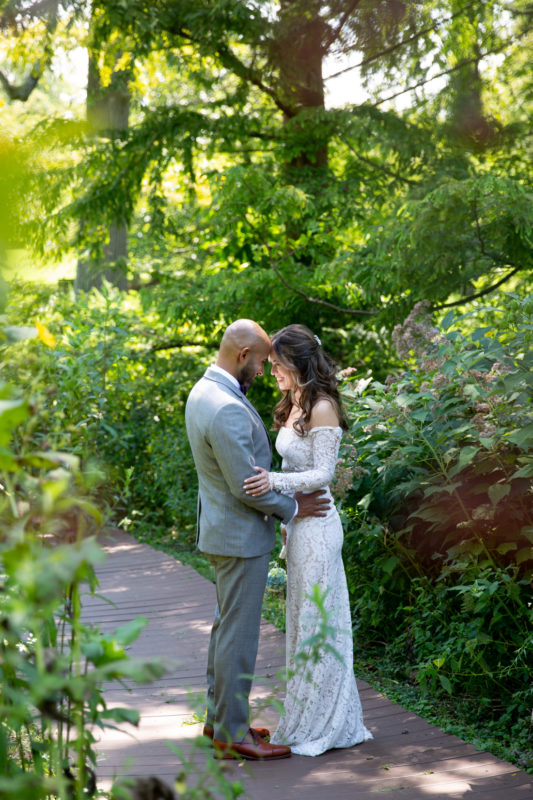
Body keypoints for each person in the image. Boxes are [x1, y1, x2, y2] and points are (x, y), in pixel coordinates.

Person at [185, 319, 331, 761]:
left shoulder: (203, 391)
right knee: (239, 636)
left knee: (225, 628)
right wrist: (293, 508)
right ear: (243, 355)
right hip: (238, 536)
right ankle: (231, 734)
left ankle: (220, 719)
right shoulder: (226, 406)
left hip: (222, 531)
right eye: (264, 362)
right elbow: (244, 485)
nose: (266, 372)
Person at [243, 323, 373, 756]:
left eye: (277, 362)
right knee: (301, 623)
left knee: (320, 622)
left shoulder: (321, 406)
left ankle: (329, 723)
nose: (271, 369)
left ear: (297, 361)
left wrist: (272, 482)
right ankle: (302, 717)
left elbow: (323, 474)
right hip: (299, 526)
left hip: (319, 528)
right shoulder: (294, 402)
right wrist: (285, 511)